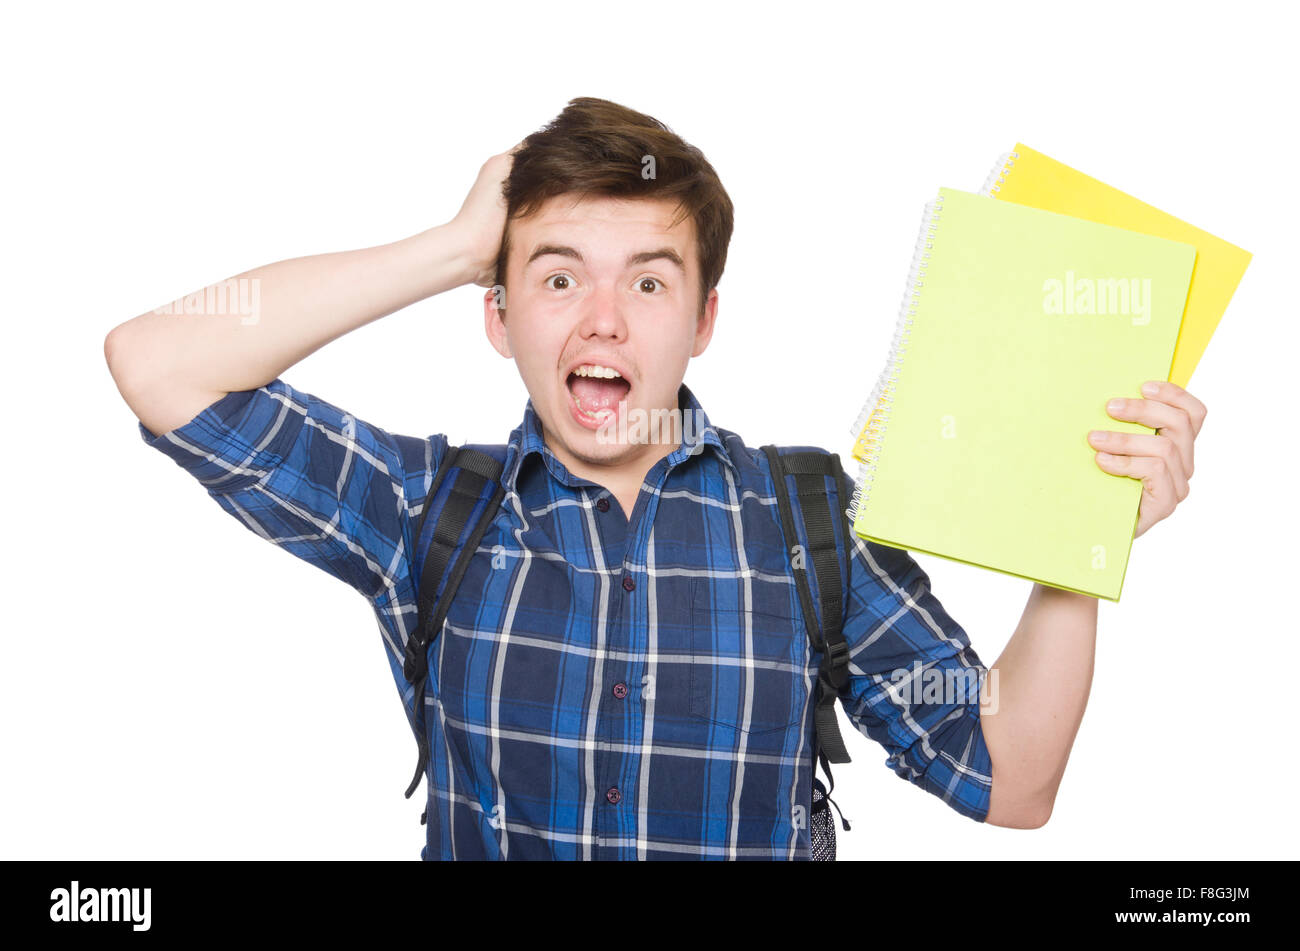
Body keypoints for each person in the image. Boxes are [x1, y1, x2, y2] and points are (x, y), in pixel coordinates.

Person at [103, 97, 1206, 860]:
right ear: (497, 316)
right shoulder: (423, 512)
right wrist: (449, 248)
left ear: (703, 319)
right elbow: (158, 362)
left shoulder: (811, 523)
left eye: (647, 280)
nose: (601, 319)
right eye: (554, 276)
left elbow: (1011, 781)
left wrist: (1082, 540)